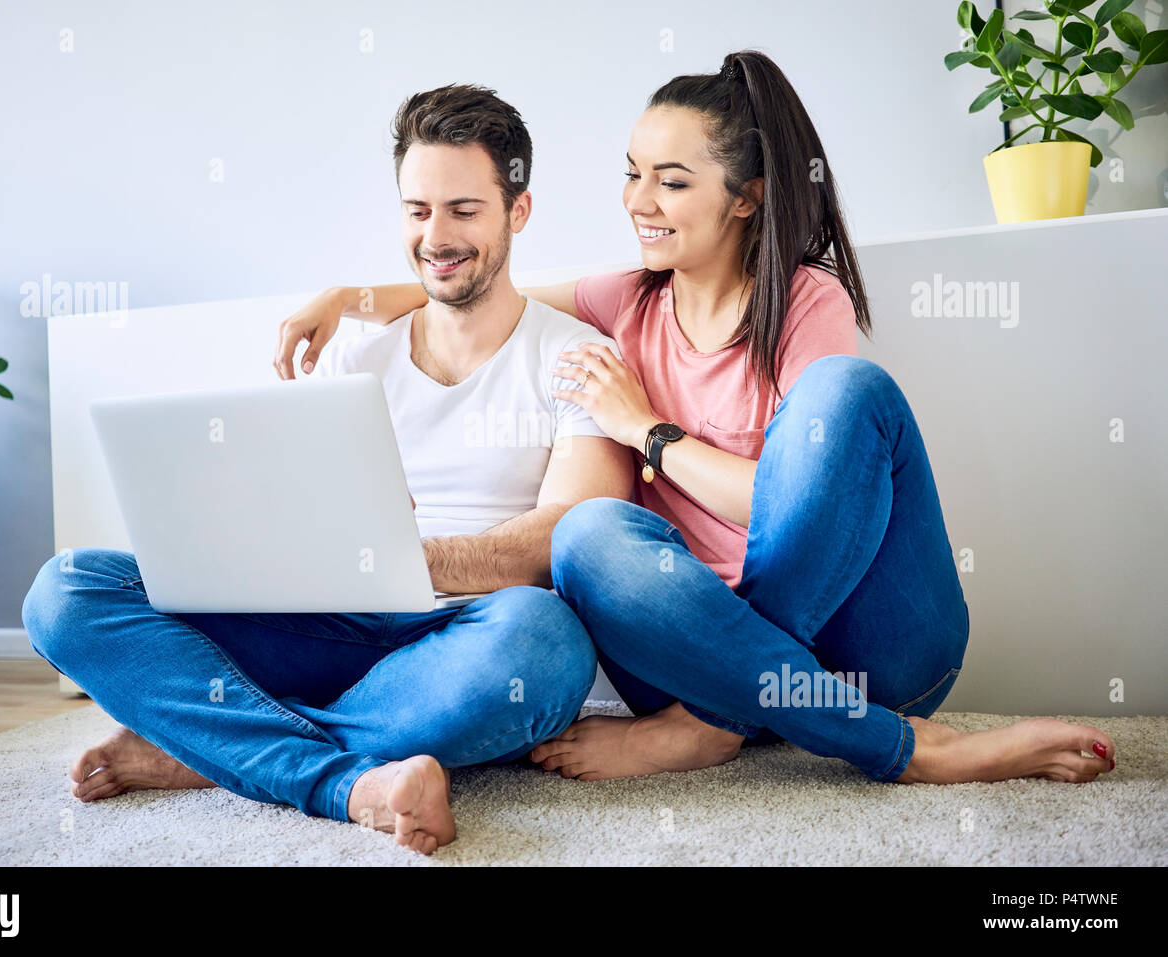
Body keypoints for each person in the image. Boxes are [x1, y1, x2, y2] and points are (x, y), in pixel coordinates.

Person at [279, 51, 1116, 786]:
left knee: (854, 395)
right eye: (633, 171)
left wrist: (650, 431)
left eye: (671, 182)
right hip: (685, 651)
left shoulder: (804, 301)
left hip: (868, 647)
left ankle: (721, 724)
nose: (639, 201)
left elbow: (793, 508)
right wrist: (340, 300)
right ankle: (894, 747)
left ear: (747, 198)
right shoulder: (627, 299)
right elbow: (485, 281)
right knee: (587, 533)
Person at [22, 83, 634, 856]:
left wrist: (399, 559)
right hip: (325, 620)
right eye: (417, 210)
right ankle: (335, 774)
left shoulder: (575, 357)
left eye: (463, 210)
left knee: (548, 642)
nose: (436, 236)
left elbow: (565, 541)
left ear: (519, 211)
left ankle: (217, 747)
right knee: (67, 588)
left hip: (463, 636)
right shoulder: (359, 352)